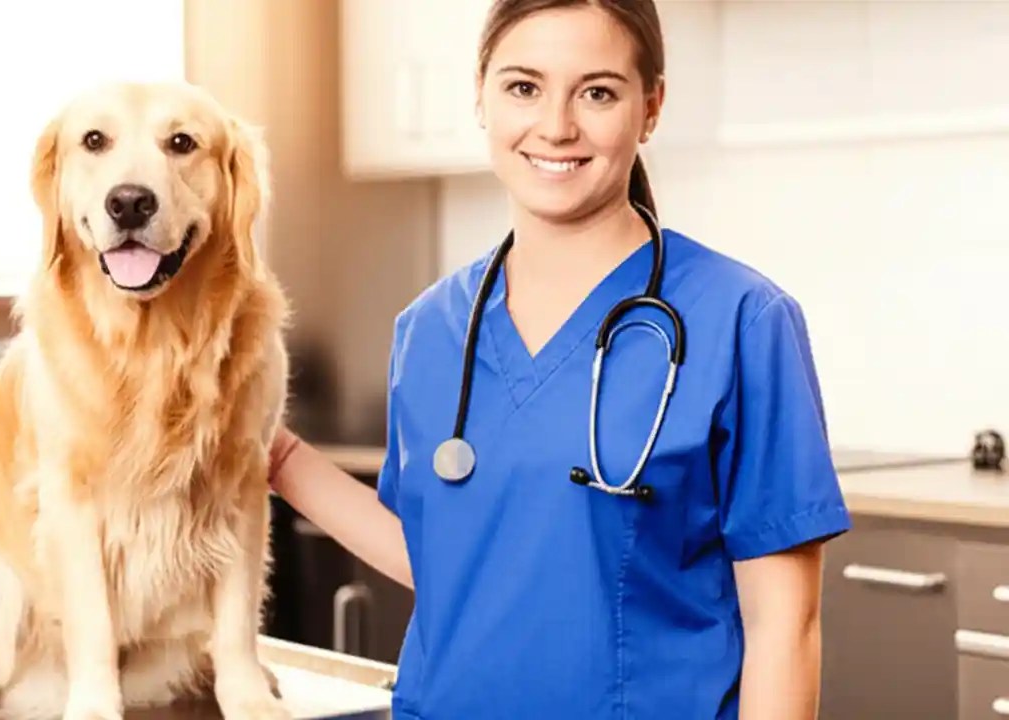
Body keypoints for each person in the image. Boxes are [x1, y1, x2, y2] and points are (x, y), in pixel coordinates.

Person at [267, 0, 852, 717]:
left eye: (597, 93)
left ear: (651, 107)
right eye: (524, 87)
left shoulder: (741, 321)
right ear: (480, 96)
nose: (556, 126)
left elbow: (784, 625)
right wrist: (276, 455)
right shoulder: (429, 331)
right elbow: (447, 559)